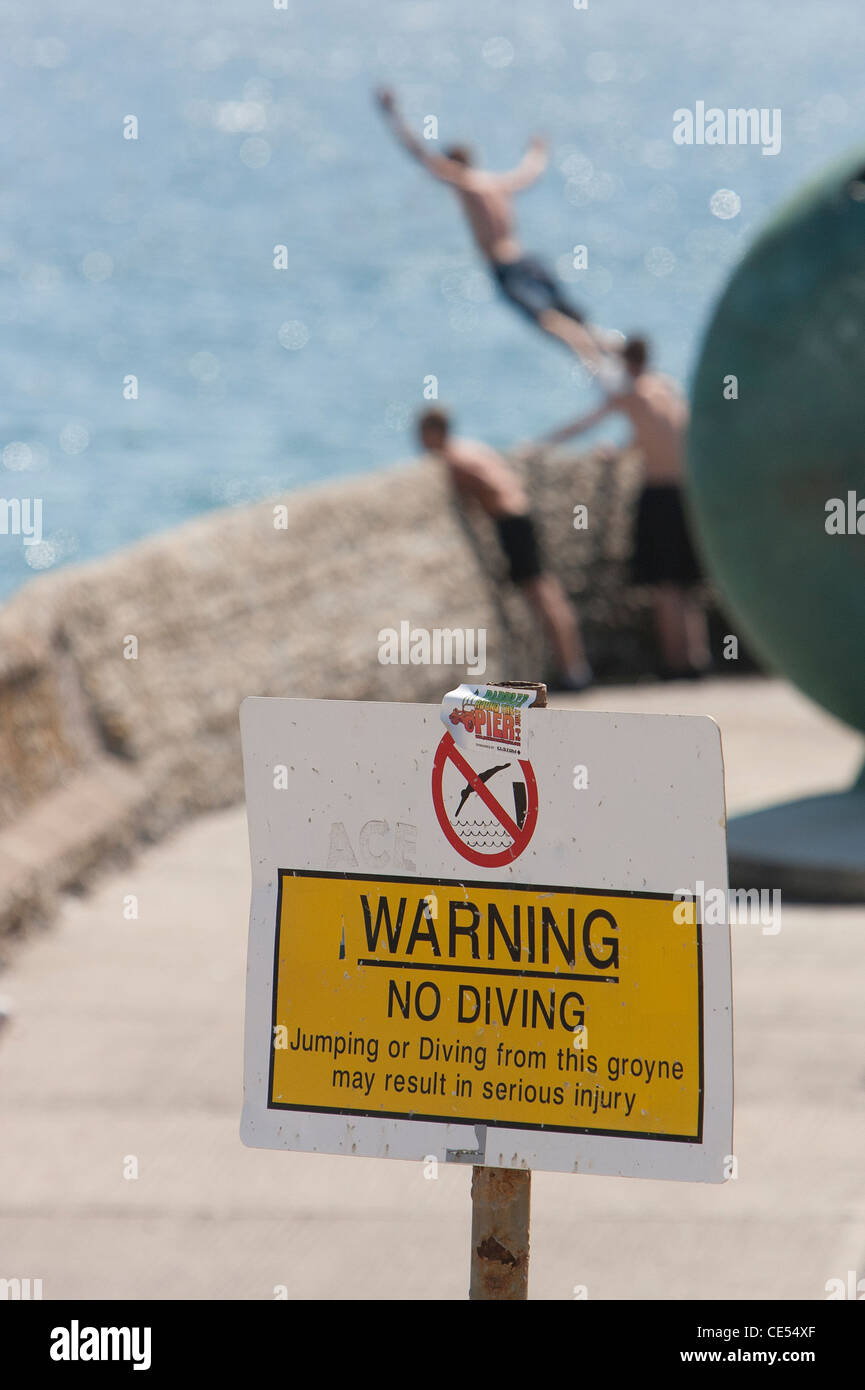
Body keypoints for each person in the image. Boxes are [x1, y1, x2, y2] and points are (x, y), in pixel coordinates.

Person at [376, 88, 605, 363]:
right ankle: (610, 349)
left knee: (545, 320)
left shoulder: (465, 183)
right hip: (527, 258)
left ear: (453, 164)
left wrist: (392, 116)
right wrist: (537, 151)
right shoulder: (497, 183)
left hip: (505, 267)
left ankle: (594, 362)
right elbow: (529, 174)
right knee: (572, 315)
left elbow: (420, 155)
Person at [531, 337, 710, 679]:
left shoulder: (632, 395)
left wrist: (542, 443)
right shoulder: (667, 389)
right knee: (687, 585)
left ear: (626, 363)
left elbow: (585, 424)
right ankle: (697, 659)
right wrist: (621, 451)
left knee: (664, 584)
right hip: (687, 492)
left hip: (659, 495)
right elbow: (658, 438)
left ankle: (674, 664)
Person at [417, 407, 593, 691]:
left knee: (542, 596)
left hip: (509, 524)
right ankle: (575, 668)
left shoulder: (453, 459)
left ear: (432, 433)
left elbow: (468, 498)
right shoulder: (472, 448)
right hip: (521, 517)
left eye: (422, 435)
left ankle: (573, 673)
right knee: (548, 593)